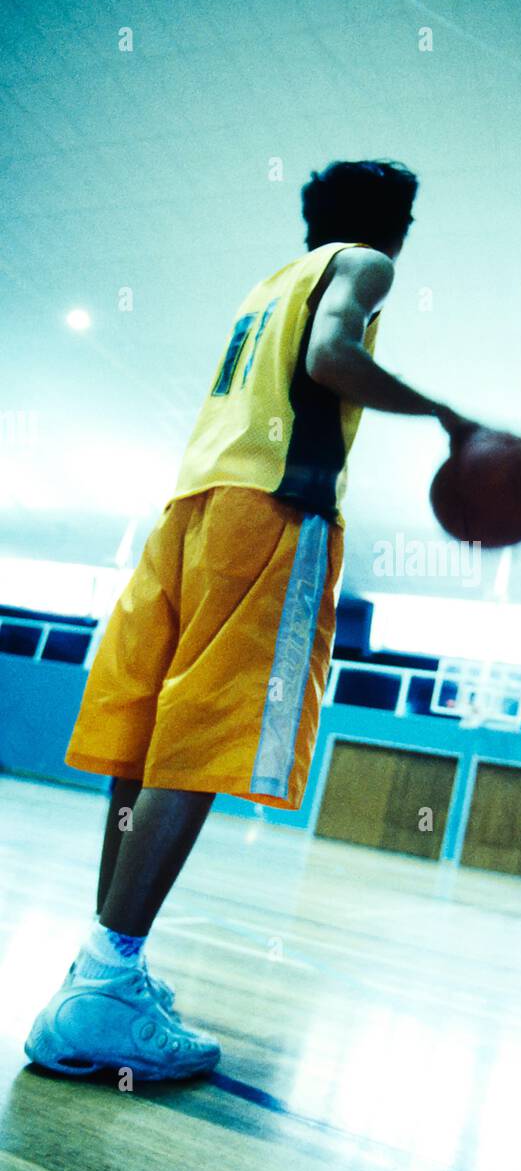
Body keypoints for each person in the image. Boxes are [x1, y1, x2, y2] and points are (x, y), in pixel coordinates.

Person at [25, 159, 492, 1081]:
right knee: (200, 744)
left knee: (148, 745)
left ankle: (103, 973)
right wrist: (446, 416)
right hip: (271, 512)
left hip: (187, 511)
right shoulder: (366, 265)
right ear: (393, 225)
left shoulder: (269, 283)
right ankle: (106, 982)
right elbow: (330, 359)